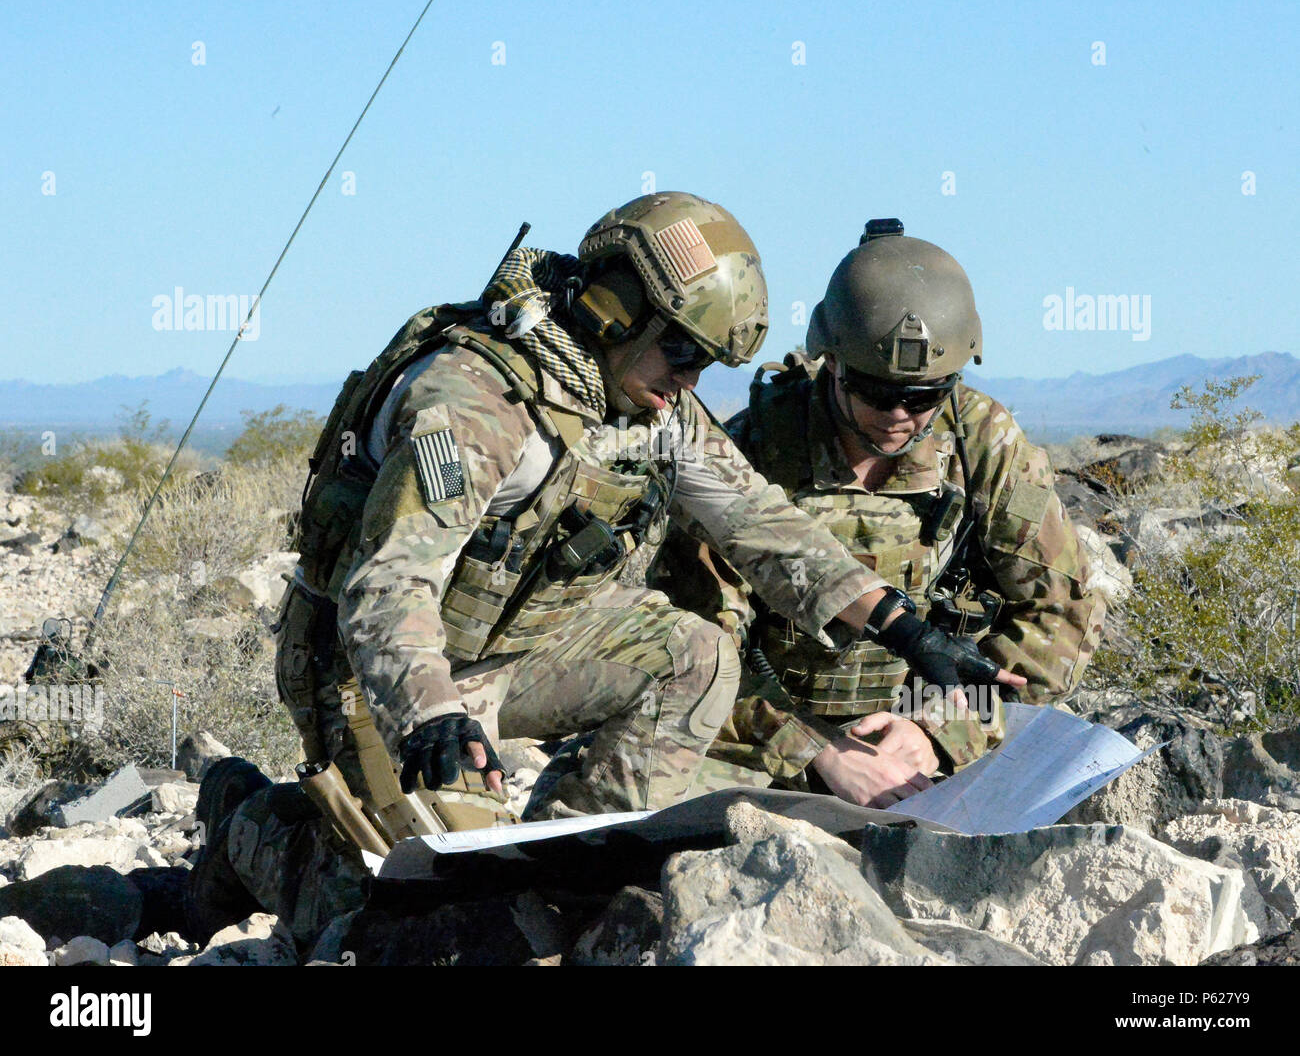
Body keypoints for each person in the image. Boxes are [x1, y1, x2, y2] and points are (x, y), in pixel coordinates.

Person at [186, 197, 1022, 950]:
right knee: (397, 924)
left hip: (515, 652)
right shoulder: (473, 405)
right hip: (379, 678)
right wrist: (433, 718)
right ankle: (248, 822)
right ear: (616, 312)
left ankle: (564, 873)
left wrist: (903, 628)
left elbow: (758, 522)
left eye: (702, 369)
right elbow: (387, 586)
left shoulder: (640, 403)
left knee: (694, 657)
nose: (684, 389)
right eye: (681, 357)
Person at [657, 218, 1106, 807]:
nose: (899, 415)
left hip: (930, 741)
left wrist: (936, 732)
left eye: (924, 396)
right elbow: (697, 648)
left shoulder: (981, 444)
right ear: (832, 363)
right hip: (780, 745)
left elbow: (1061, 616)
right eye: (876, 390)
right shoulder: (752, 452)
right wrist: (813, 749)